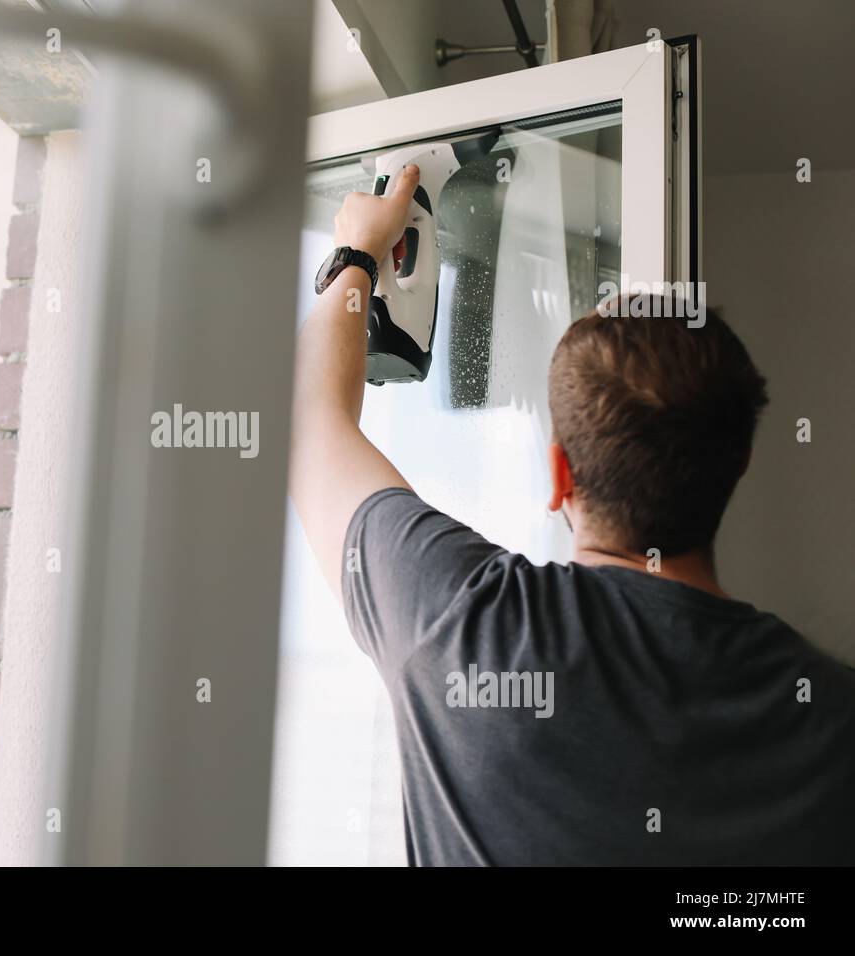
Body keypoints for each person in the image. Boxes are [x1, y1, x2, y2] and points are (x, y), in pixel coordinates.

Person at [289, 163, 855, 865]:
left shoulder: (467, 625)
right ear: (738, 464)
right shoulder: (831, 716)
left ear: (559, 476)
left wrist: (356, 256)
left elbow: (312, 424)